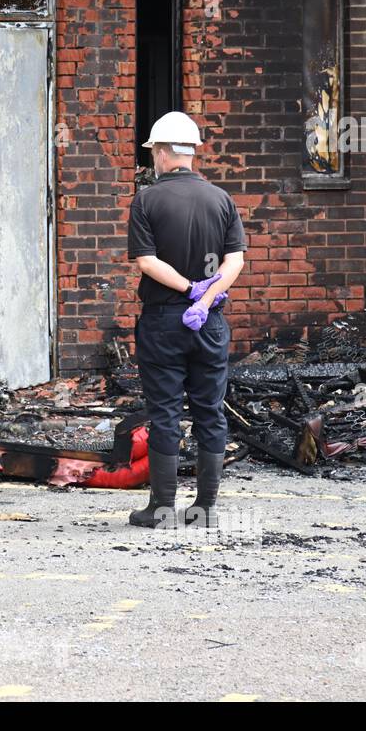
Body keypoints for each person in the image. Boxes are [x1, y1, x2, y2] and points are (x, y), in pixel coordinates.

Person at [128, 111, 246, 529]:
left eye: (152, 153)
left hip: (164, 321)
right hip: (209, 323)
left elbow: (146, 262)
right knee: (209, 411)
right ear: (192, 152)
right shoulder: (221, 199)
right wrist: (207, 295)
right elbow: (236, 261)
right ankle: (205, 509)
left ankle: (160, 509)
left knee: (163, 413)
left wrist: (185, 289)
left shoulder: (147, 200)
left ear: (161, 152)